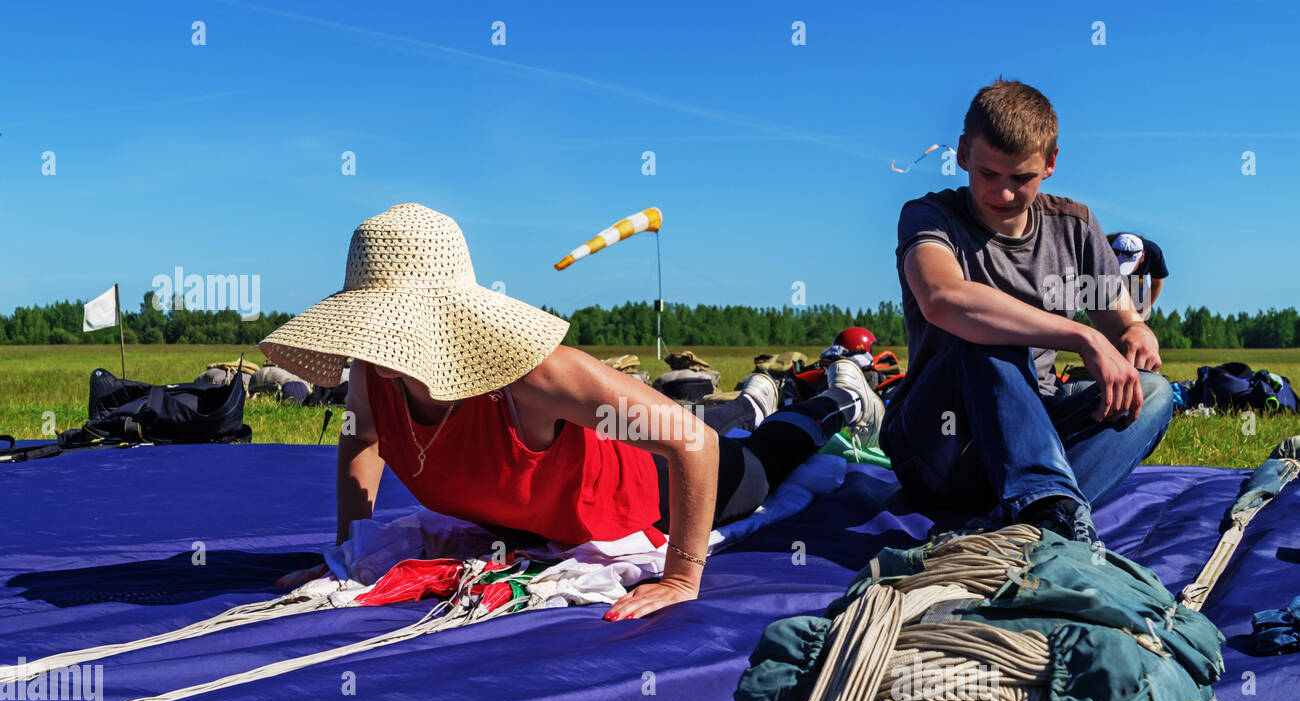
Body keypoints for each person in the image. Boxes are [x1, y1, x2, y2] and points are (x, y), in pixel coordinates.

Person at [265, 203, 884, 620]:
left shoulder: (532, 376)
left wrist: (681, 578)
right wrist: (351, 553)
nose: (383, 343)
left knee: (762, 454)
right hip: (563, 499)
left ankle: (839, 397)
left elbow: (689, 445)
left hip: (659, 486)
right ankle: (756, 397)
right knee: (731, 423)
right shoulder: (375, 377)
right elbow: (361, 442)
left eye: (397, 325)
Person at [880, 79, 1173, 544]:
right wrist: (1083, 337)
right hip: (940, 444)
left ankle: (1026, 517)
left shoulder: (1074, 226)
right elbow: (943, 298)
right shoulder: (930, 216)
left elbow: (1123, 325)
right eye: (988, 174)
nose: (1003, 194)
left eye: (1022, 178)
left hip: (1036, 432)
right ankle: (1047, 512)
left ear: (1051, 163)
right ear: (962, 155)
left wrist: (1137, 336)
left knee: (1155, 393)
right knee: (985, 329)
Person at [1107, 232, 1169, 319]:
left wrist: (1143, 312)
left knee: (1135, 317)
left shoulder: (1153, 252)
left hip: (1135, 283)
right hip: (1109, 281)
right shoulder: (1103, 249)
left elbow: (1157, 284)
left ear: (1142, 257)